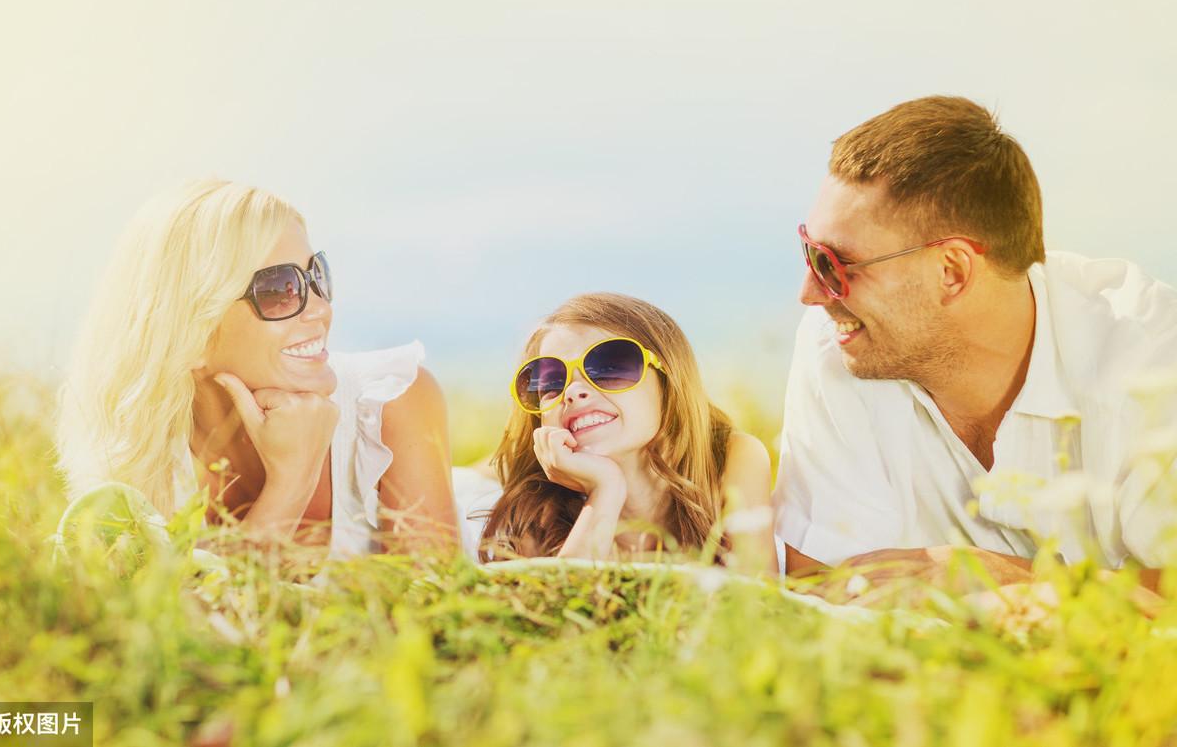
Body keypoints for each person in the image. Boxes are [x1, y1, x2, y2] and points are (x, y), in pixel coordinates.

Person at [775, 96, 1177, 589]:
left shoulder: (1154, 360)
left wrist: (1011, 582)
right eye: (808, 250)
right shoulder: (836, 348)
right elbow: (818, 584)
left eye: (832, 265)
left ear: (952, 271)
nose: (809, 294)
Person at [57, 179, 459, 559]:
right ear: (191, 333)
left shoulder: (392, 404)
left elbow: (438, 611)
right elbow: (183, 626)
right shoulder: (144, 460)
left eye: (316, 276)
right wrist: (291, 481)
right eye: (280, 289)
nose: (320, 308)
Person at [473, 293, 781, 574]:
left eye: (608, 367)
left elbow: (759, 606)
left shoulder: (733, 459)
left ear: (668, 380)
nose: (573, 392)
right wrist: (605, 490)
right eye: (550, 383)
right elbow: (558, 622)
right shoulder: (537, 504)